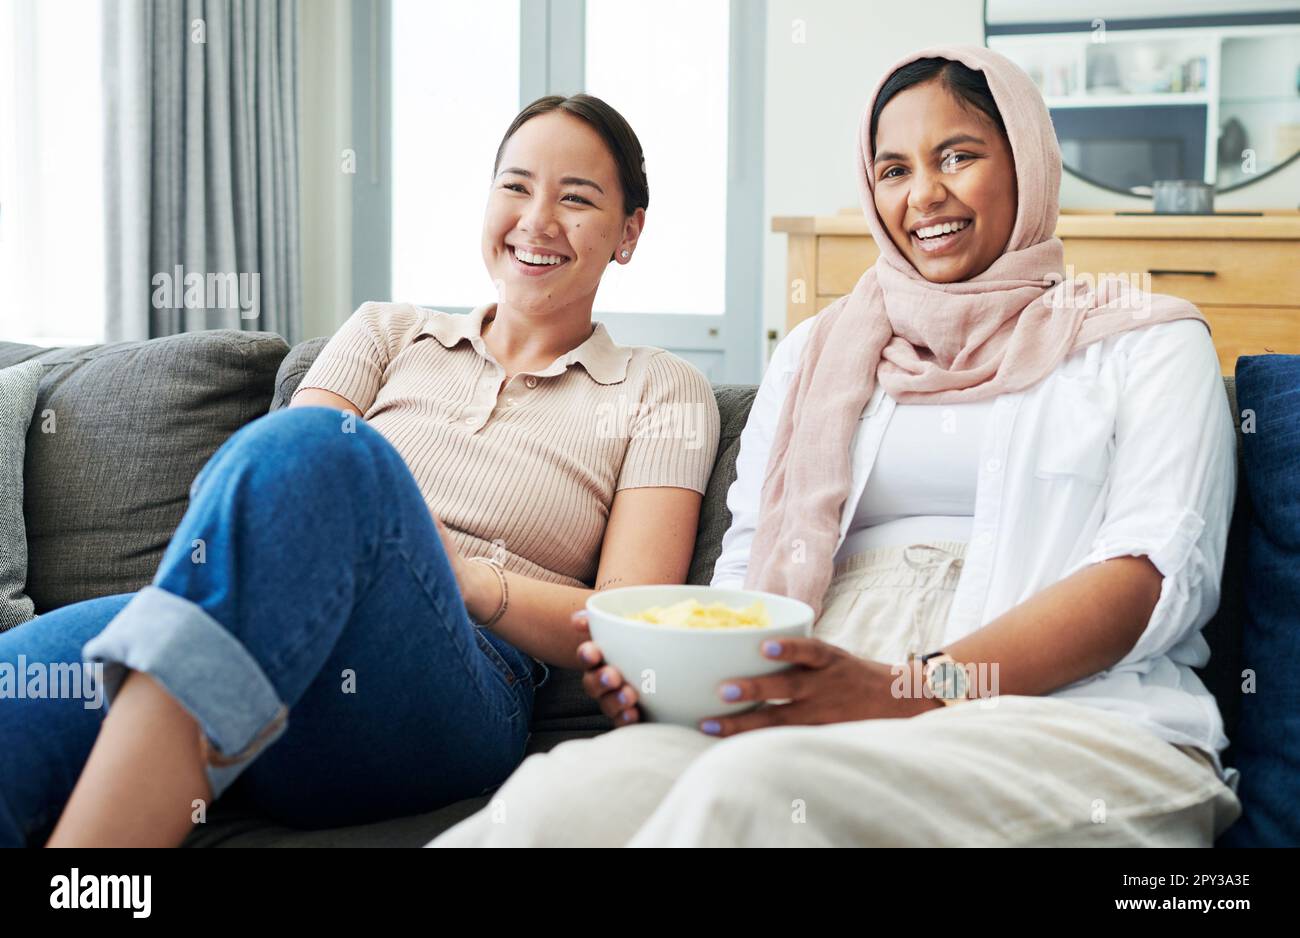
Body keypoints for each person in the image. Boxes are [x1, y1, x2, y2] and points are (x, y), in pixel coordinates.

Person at [429, 47, 1243, 848]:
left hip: (1070, 725)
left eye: (956, 156)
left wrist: (903, 690)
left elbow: (1149, 578)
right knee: (555, 798)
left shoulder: (1144, 342)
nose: (924, 194)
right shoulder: (820, 351)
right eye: (892, 170)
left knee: (748, 796)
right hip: (812, 715)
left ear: (1027, 162)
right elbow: (747, 576)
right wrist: (679, 676)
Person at [0, 93, 720, 847]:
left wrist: (465, 576)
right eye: (515, 185)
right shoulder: (387, 329)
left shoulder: (661, 388)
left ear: (629, 232)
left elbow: (631, 625)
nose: (537, 219)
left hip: (457, 685)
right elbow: (276, 478)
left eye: (576, 198)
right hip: (273, 634)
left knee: (331, 451)